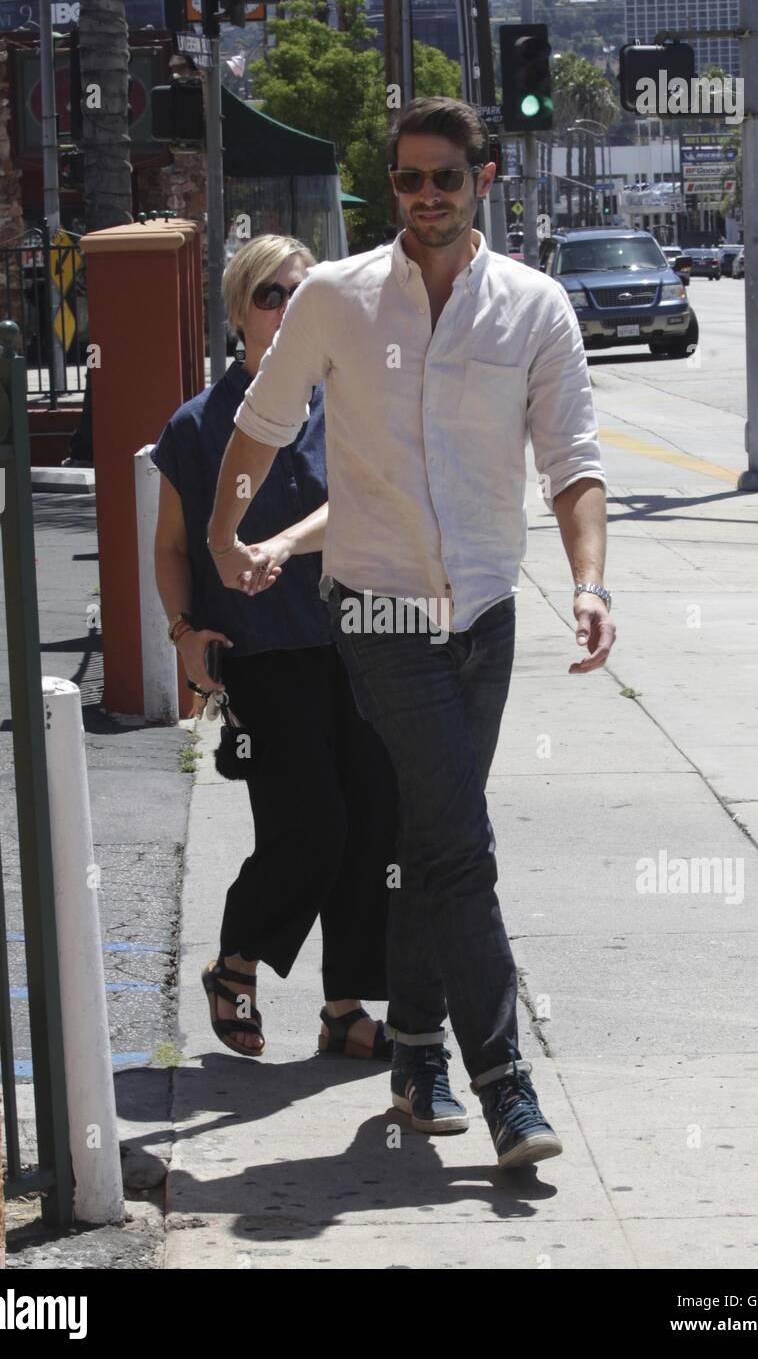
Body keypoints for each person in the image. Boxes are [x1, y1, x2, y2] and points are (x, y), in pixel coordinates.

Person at [206, 97, 615, 1169]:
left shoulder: (533, 307)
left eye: (445, 176)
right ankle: (504, 1083)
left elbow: (572, 461)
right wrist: (220, 530)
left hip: (484, 606)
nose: (425, 195)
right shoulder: (337, 300)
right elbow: (262, 419)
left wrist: (588, 583)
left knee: (436, 839)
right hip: (379, 603)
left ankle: (416, 1052)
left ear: (482, 178)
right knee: (460, 843)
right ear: (389, 188)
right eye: (407, 179)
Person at [151, 234, 397, 1061]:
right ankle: (235, 962)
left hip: (354, 638)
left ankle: (344, 1008)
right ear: (238, 310)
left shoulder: (343, 403)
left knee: (370, 821)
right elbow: (173, 547)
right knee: (311, 827)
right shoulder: (196, 424)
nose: (287, 308)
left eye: (301, 292)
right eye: (269, 295)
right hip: (262, 652)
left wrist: (286, 545)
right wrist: (185, 634)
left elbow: (362, 507)